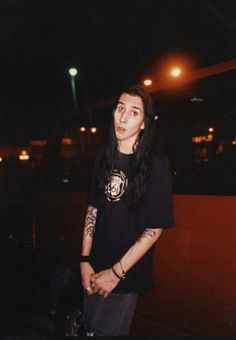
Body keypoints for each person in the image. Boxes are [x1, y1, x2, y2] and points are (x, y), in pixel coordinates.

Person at [80, 84, 174, 336]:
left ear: (143, 123)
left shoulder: (156, 162)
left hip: (125, 275)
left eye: (134, 112)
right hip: (94, 269)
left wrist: (115, 273)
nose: (123, 118)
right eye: (120, 108)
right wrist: (84, 260)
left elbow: (154, 229)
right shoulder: (104, 154)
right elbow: (93, 209)